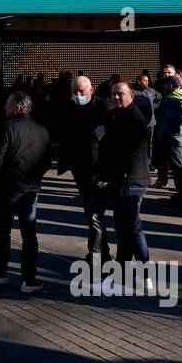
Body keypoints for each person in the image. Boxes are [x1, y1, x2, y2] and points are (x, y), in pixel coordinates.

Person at [0, 91, 50, 293]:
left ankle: (0, 271)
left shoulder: (8, 128)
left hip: (8, 189)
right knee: (29, 233)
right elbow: (45, 162)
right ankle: (29, 278)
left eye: (8, 104)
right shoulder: (42, 130)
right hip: (30, 189)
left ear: (17, 107)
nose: (5, 108)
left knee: (3, 232)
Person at [96, 81, 154, 279]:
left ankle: (131, 271)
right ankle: (134, 271)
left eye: (120, 94)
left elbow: (120, 149)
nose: (116, 97)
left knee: (129, 229)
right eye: (113, 94)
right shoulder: (119, 114)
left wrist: (103, 138)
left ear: (131, 96)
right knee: (127, 227)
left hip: (131, 182)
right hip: (123, 181)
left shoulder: (133, 118)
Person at [57, 74, 115, 264]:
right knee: (91, 211)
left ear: (91, 89)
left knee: (94, 212)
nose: (78, 94)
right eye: (74, 91)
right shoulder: (68, 107)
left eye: (81, 91)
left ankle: (96, 255)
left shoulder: (104, 109)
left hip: (100, 169)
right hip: (79, 167)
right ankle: (103, 254)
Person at [154, 74, 182, 203]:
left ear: (171, 85)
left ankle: (181, 194)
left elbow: (169, 122)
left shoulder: (171, 100)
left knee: (178, 167)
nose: (164, 87)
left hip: (175, 139)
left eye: (165, 84)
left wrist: (161, 135)